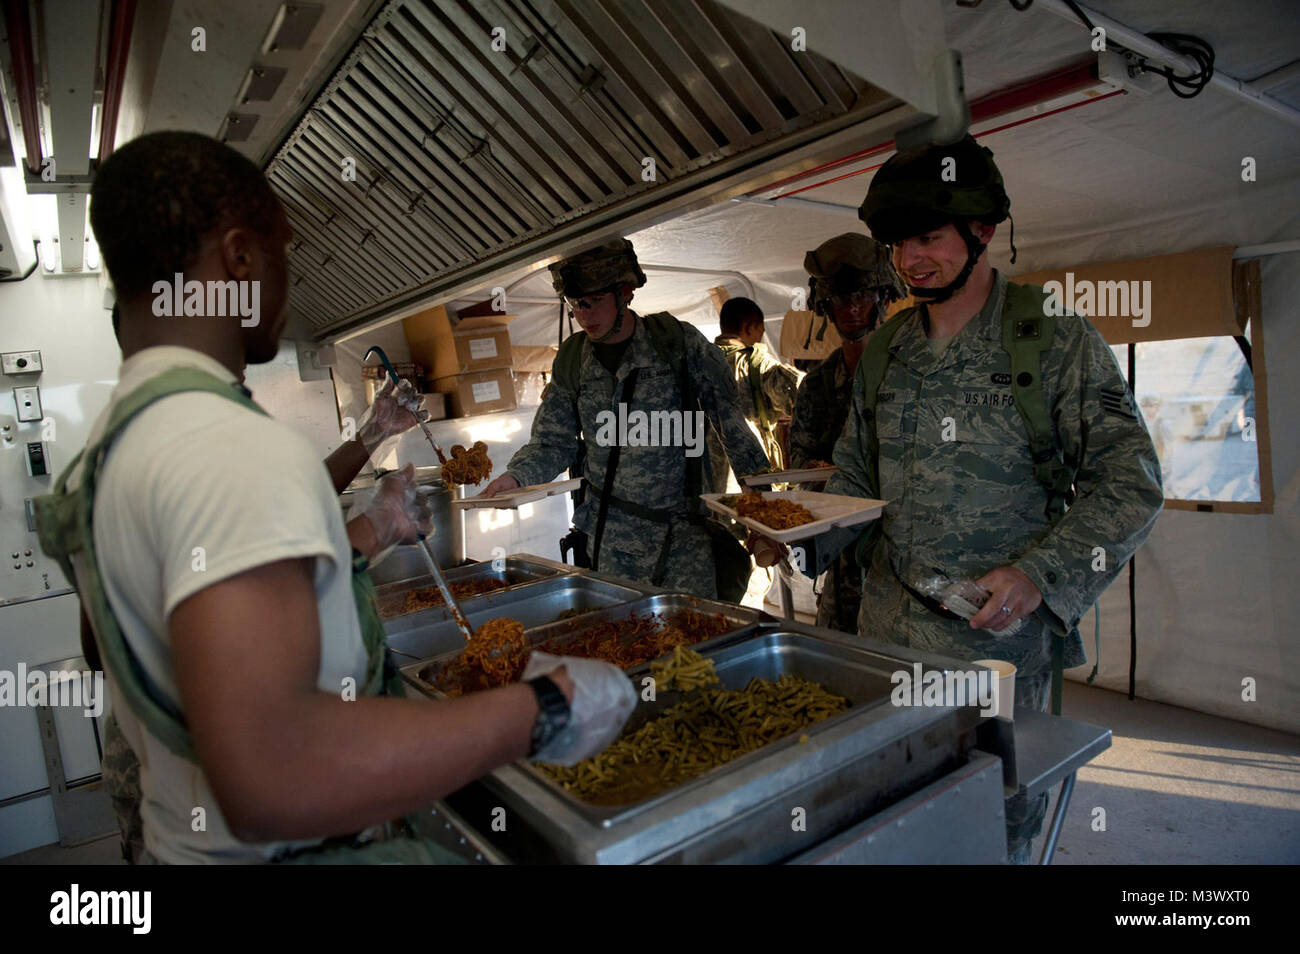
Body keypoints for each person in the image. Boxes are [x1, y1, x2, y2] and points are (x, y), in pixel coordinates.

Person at [37, 130, 635, 864]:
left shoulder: (107, 452)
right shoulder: (232, 447)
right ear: (238, 258)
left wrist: (365, 535)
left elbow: (111, 648)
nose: (290, 283)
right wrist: (545, 708)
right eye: (283, 250)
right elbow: (271, 776)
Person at [826, 133, 1163, 863]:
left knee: (991, 822)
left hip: (993, 647)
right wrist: (806, 533)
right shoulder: (888, 351)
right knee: (894, 815)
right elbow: (855, 474)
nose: (911, 259)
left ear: (982, 232)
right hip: (885, 637)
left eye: (929, 237)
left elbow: (1130, 480)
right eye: (898, 244)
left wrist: (1039, 575)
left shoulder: (1052, 340)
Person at [480, 240, 768, 599]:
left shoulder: (678, 344)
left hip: (684, 542)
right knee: (622, 641)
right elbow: (553, 442)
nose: (584, 315)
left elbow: (733, 428)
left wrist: (765, 510)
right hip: (610, 542)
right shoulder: (573, 359)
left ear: (625, 293)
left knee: (692, 641)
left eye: (594, 301)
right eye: (576, 305)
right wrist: (516, 476)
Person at [787, 233, 906, 633]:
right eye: (839, 299)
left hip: (902, 558)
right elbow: (800, 467)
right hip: (841, 558)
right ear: (824, 306)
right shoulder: (816, 388)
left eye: (862, 296)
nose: (852, 308)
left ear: (884, 297)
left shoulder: (914, 376)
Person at [706, 297, 802, 480]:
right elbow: (804, 395)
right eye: (760, 330)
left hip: (708, 485)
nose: (760, 337)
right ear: (749, 327)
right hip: (753, 482)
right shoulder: (756, 364)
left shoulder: (699, 362)